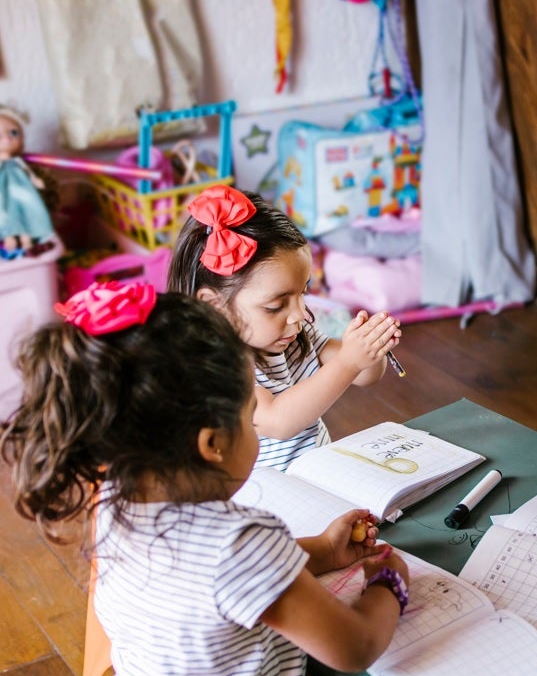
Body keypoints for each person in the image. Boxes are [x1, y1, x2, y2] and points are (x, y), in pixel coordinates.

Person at [0, 281, 420, 676]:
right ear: (212, 444)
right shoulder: (240, 542)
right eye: (252, 418)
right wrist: (391, 589)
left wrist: (323, 552)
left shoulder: (118, 499)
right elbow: (352, 646)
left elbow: (219, 585)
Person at [167, 184, 401, 471]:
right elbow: (278, 422)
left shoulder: (293, 335)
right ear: (214, 306)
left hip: (318, 474)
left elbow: (365, 376)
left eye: (303, 293)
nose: (299, 315)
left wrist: (369, 348)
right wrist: (348, 362)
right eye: (275, 306)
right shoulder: (215, 366)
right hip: (264, 497)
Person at [0, 102, 53, 254]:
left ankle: (26, 236)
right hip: (0, 196)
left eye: (14, 133)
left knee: (26, 209)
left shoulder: (17, 162)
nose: (6, 137)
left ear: (22, 142)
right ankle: (8, 236)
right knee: (3, 214)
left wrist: (35, 180)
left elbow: (28, 172)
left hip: (21, 193)